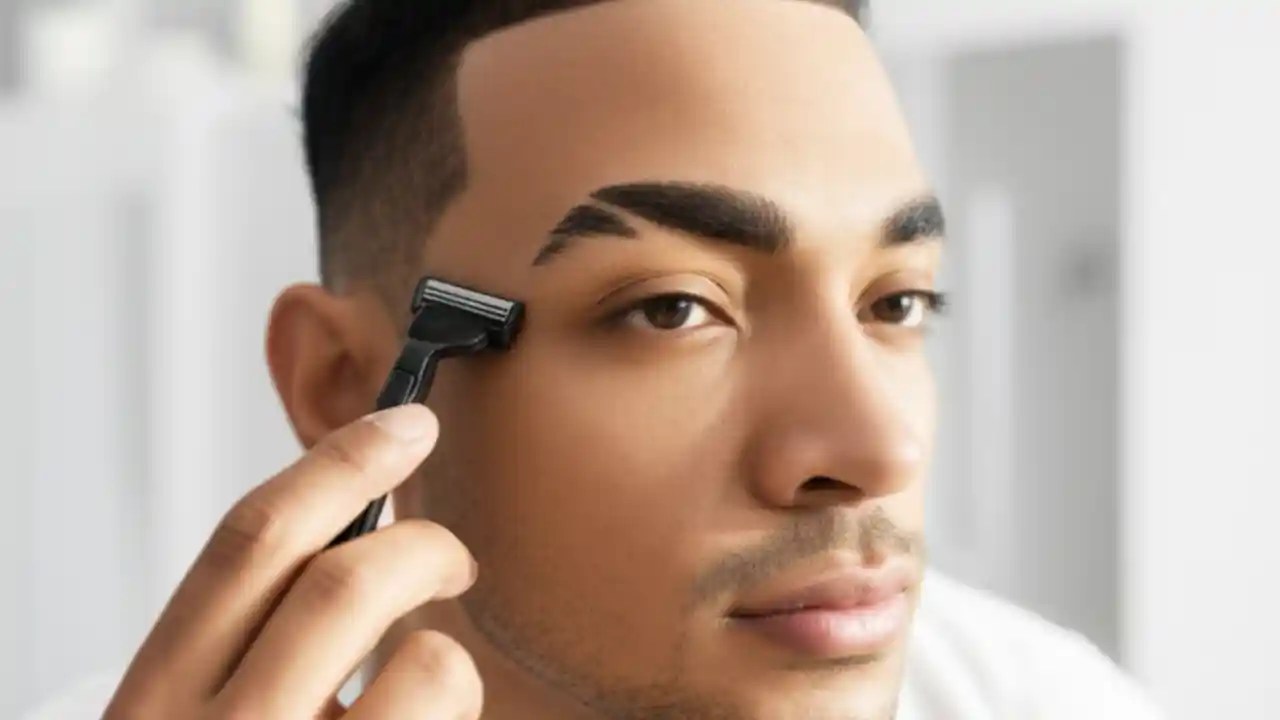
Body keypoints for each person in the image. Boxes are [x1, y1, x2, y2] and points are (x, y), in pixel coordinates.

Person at [67, 0, 1163, 718]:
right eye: (673, 310)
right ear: (344, 384)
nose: (877, 448)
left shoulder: (1036, 697)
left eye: (898, 299)